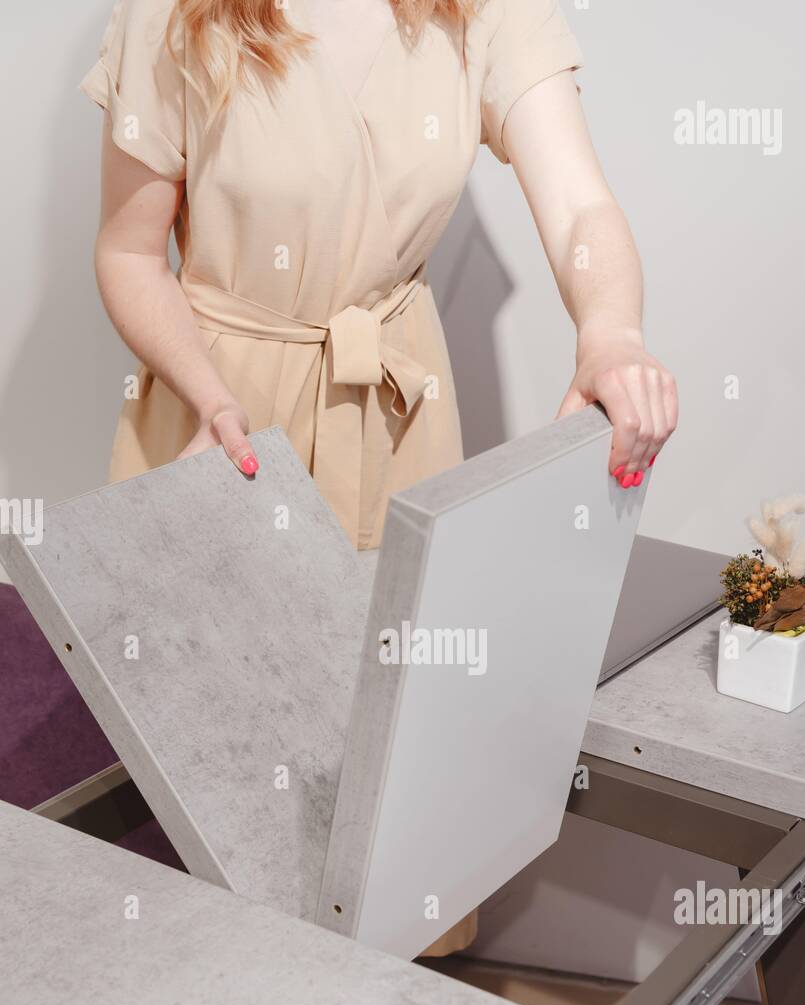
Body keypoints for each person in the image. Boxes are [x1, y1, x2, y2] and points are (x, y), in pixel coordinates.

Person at [81, 0, 678, 954]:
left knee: (382, 789)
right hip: (220, 421)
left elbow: (580, 206)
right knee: (216, 803)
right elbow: (127, 252)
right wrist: (209, 397)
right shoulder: (174, 14)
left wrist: (612, 333)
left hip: (395, 418)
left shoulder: (480, 13)